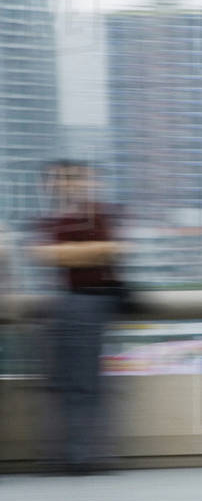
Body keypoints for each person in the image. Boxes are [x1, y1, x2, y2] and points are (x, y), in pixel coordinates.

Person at [32, 161, 126, 474]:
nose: (59, 185)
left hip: (88, 302)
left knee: (84, 383)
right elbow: (44, 254)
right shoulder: (58, 219)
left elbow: (110, 249)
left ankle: (83, 455)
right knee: (66, 383)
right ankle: (76, 453)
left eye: (67, 179)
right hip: (67, 303)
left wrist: (66, 253)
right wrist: (81, 252)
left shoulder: (96, 214)